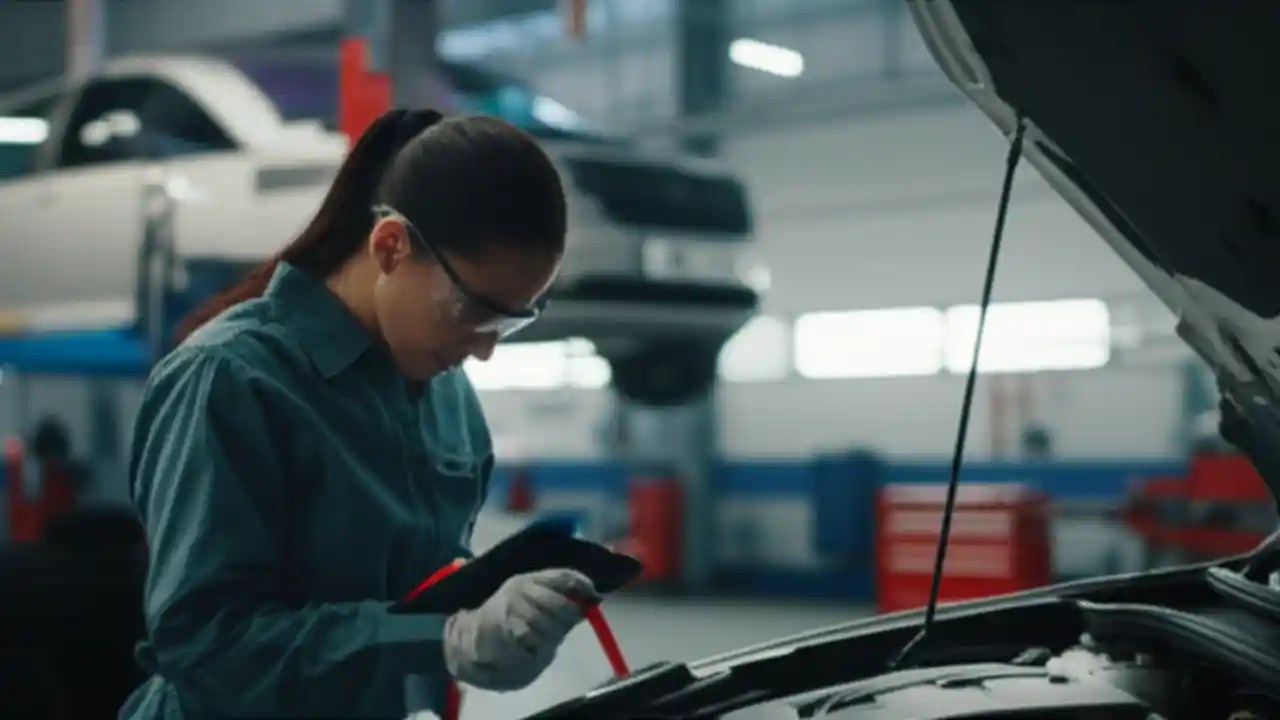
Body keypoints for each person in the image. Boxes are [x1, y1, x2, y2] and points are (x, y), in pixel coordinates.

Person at [119, 109, 597, 719]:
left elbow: (422, 580)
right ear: (390, 246)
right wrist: (441, 639)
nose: (484, 347)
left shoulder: (448, 397)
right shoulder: (231, 379)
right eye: (473, 311)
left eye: (510, 321)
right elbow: (208, 644)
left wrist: (494, 608)